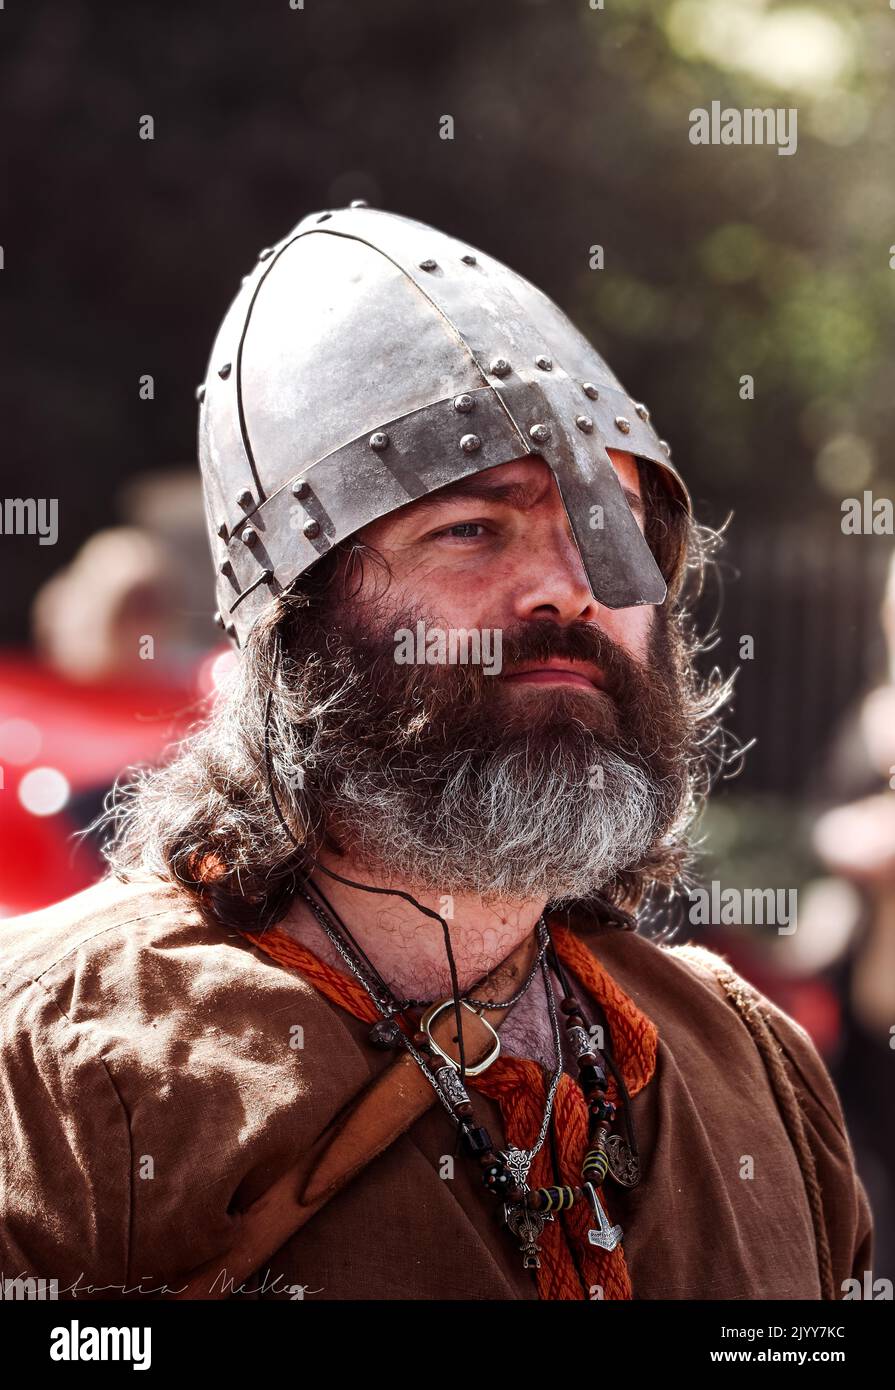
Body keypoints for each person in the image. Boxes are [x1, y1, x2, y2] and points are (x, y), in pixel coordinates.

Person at [0, 204, 873, 1301]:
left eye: (614, 530)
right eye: (471, 527)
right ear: (299, 620)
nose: (572, 585)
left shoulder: (754, 1068)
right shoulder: (53, 1071)